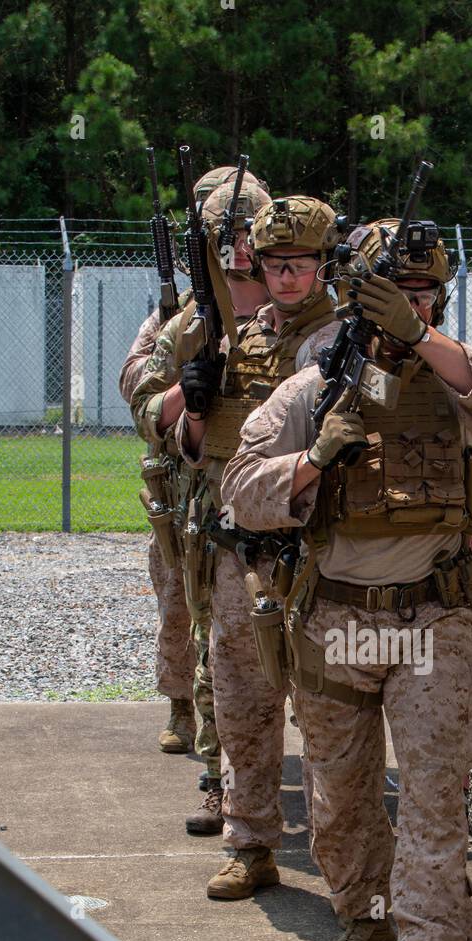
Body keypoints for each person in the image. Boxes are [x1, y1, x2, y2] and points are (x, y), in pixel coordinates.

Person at [221, 219, 472, 941]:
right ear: (358, 297)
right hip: (335, 621)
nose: (411, 302)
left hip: (431, 615)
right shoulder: (313, 385)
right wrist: (312, 460)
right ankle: (366, 917)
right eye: (395, 292)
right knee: (341, 789)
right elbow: (240, 492)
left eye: (424, 291)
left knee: (433, 788)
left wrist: (419, 336)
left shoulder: (452, 380)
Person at [175, 196, 343, 891]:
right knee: (243, 700)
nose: (287, 277)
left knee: (327, 712)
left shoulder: (343, 343)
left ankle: (347, 864)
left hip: (317, 557)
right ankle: (250, 844)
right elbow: (199, 455)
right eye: (275, 264)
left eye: (300, 265)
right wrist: (194, 401)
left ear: (323, 266)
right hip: (240, 552)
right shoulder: (240, 340)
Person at [130, 173, 272, 833]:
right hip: (206, 494)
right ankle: (218, 772)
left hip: (286, 499)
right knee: (213, 632)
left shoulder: (300, 312)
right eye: (227, 238)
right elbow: (146, 396)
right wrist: (191, 391)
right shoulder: (187, 321)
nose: (240, 250)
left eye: (251, 235)